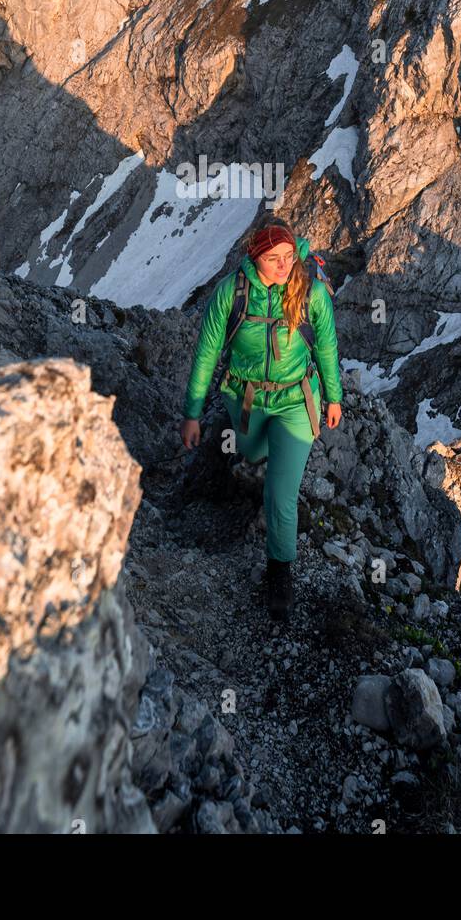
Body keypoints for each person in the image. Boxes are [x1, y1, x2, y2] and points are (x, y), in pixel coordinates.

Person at [179, 215, 343, 621]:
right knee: (250, 454)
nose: (285, 266)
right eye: (274, 259)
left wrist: (333, 398)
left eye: (289, 256)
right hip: (247, 398)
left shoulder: (311, 292)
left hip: (296, 402)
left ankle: (280, 576)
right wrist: (192, 414)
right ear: (255, 258)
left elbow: (326, 348)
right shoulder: (230, 294)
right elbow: (206, 355)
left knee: (279, 492)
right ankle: (251, 449)